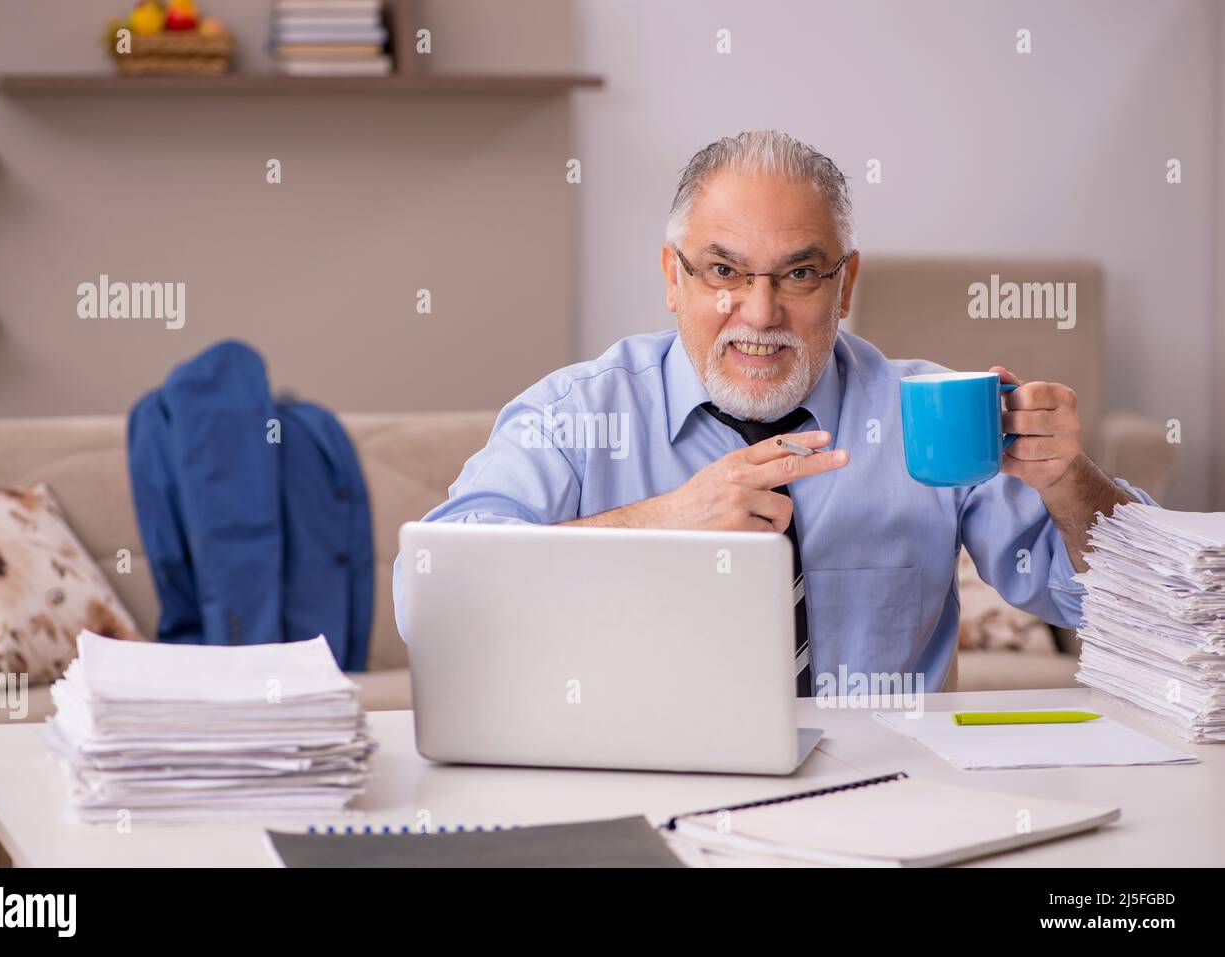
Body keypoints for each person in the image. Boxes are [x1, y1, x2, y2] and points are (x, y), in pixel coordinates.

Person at [393, 130, 1154, 694]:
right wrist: (663, 521)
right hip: (646, 787)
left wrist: (1069, 481)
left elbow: (1130, 610)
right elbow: (432, 590)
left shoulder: (926, 411)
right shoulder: (578, 412)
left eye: (798, 274)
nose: (758, 313)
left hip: (892, 802)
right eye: (723, 270)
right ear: (673, 275)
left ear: (844, 284)